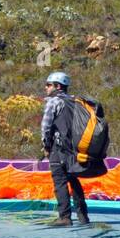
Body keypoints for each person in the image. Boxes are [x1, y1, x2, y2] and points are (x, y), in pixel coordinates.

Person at [41, 70, 89, 227]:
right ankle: (83, 216)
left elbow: (46, 126)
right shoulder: (76, 102)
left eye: (48, 85)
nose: (46, 88)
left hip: (58, 149)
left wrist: (46, 146)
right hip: (74, 150)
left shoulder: (53, 102)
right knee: (74, 180)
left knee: (60, 182)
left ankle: (65, 217)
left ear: (57, 86)